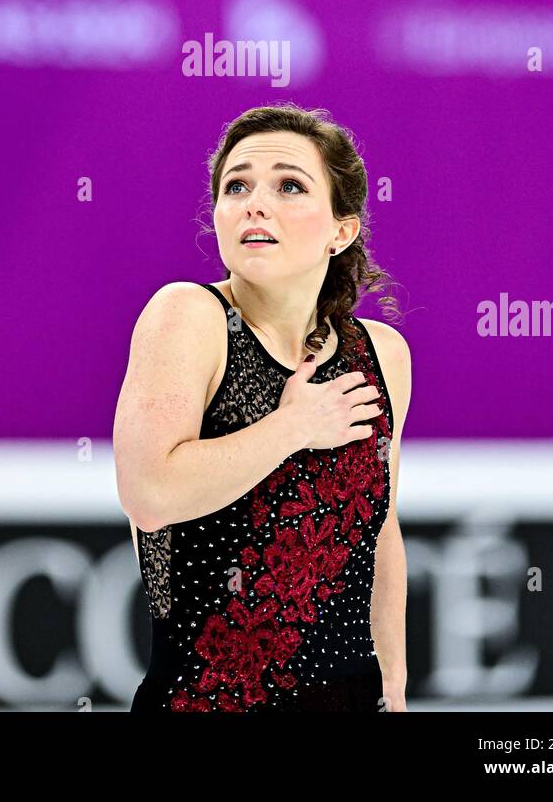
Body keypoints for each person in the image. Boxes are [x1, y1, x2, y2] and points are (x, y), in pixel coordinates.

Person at [114, 103, 411, 711]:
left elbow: (380, 534)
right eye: (237, 185)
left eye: (290, 185)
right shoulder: (188, 316)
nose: (255, 202)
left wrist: (396, 688)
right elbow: (148, 494)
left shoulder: (383, 354)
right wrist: (292, 426)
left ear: (341, 230)